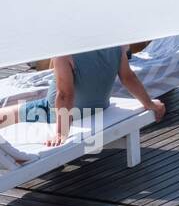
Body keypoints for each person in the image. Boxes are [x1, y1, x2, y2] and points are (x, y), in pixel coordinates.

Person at [0, 46, 165, 145]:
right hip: (99, 106)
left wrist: (61, 133)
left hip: (52, 110)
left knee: (6, 115)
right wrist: (149, 103)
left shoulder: (64, 52)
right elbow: (128, 77)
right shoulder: (114, 45)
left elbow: (65, 95)